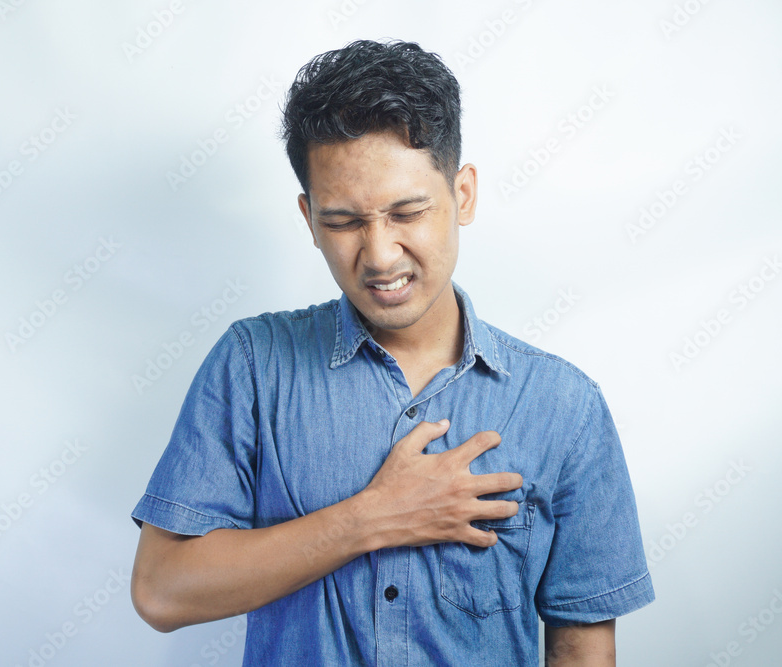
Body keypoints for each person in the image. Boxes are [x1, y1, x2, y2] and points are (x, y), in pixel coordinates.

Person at [130, 39, 654, 666]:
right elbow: (162, 591)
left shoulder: (565, 406)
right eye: (344, 222)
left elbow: (580, 644)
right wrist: (374, 517)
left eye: (407, 212)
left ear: (463, 195)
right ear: (308, 217)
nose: (378, 255)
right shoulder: (252, 365)